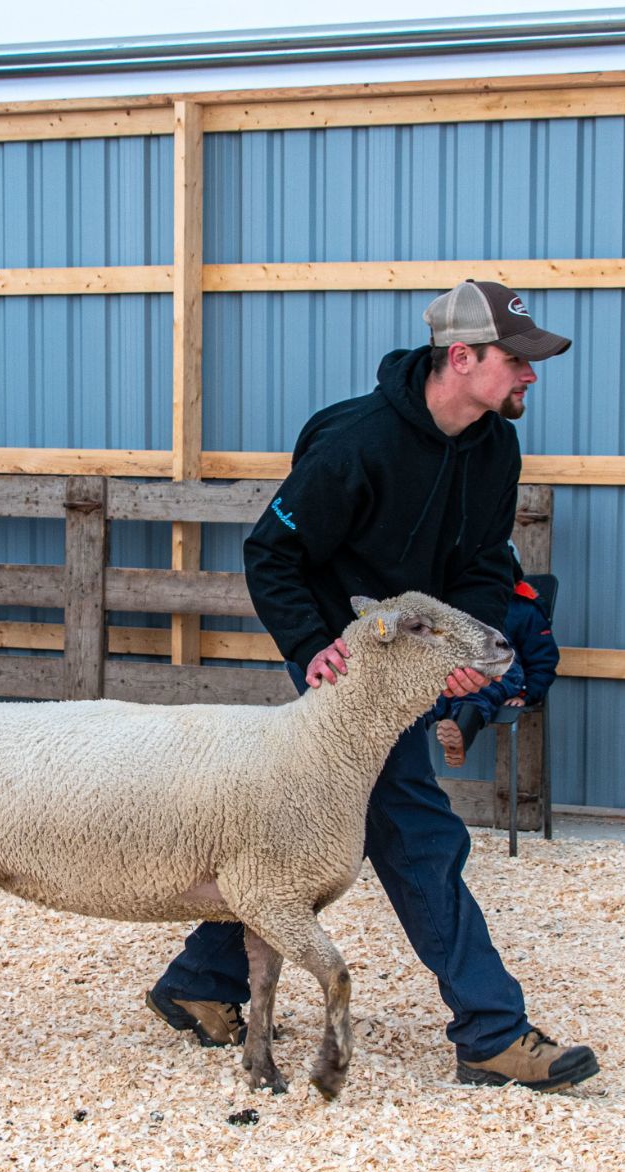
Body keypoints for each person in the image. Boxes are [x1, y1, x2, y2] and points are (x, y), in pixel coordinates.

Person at [144, 280, 600, 1092]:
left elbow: (485, 563)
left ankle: (198, 982)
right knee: (415, 828)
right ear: (460, 358)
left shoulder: (495, 446)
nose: (531, 376)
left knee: (303, 834)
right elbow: (271, 553)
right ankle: (491, 1032)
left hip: (418, 656)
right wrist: (313, 644)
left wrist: (469, 644)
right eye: (517, 361)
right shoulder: (356, 442)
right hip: (345, 661)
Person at [434, 566, 559, 768]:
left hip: (502, 670)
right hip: (457, 666)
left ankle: (459, 735)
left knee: (479, 692)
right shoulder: (460, 603)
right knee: (429, 696)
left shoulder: (523, 608)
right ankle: (401, 739)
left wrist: (526, 694)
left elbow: (543, 659)